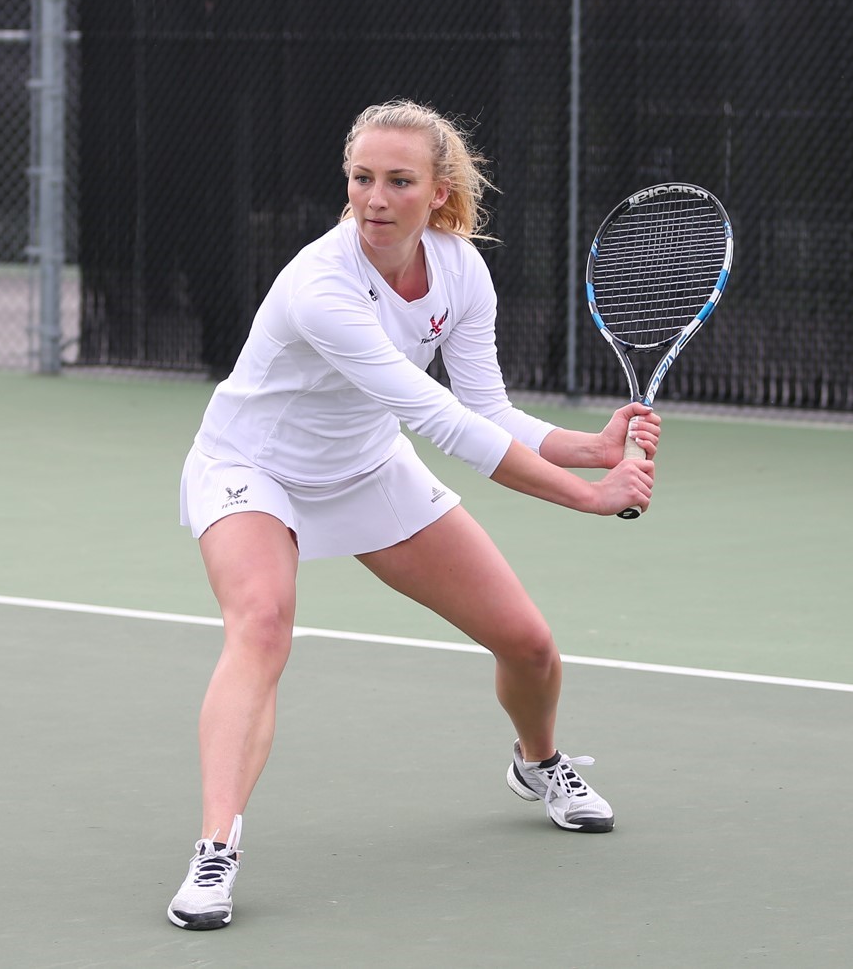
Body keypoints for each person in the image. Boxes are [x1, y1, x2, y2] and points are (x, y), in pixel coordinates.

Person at [167, 99, 662, 931]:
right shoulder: (322, 284)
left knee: (530, 644)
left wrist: (591, 447)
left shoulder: (460, 271)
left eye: (399, 181)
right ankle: (216, 848)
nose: (374, 198)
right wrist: (589, 498)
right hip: (252, 465)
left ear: (438, 191)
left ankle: (538, 761)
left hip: (367, 466)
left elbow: (487, 408)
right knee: (260, 625)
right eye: (361, 178)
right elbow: (438, 420)